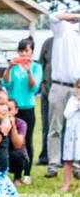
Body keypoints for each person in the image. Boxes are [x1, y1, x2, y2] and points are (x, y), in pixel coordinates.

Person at [45, 10, 80, 176]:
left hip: (78, 87)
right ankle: (53, 163)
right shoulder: (63, 28)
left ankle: (77, 165)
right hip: (59, 85)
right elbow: (53, 16)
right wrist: (73, 16)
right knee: (55, 127)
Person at [2, 39, 42, 180]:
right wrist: (8, 68)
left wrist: (29, 71)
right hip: (12, 108)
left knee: (27, 139)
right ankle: (13, 172)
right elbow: (6, 83)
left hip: (28, 108)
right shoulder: (13, 67)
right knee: (9, 138)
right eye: (21, 51)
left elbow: (34, 87)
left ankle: (27, 172)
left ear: (32, 52)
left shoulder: (36, 67)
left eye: (26, 51)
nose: (23, 54)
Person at [37, 33, 54, 167]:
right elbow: (40, 65)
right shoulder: (48, 42)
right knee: (46, 125)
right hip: (47, 90)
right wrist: (42, 84)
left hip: (70, 90)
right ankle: (45, 156)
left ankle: (64, 158)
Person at [61, 79, 80, 192]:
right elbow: (67, 114)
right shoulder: (72, 101)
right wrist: (77, 102)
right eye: (79, 87)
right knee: (68, 160)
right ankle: (66, 184)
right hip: (71, 135)